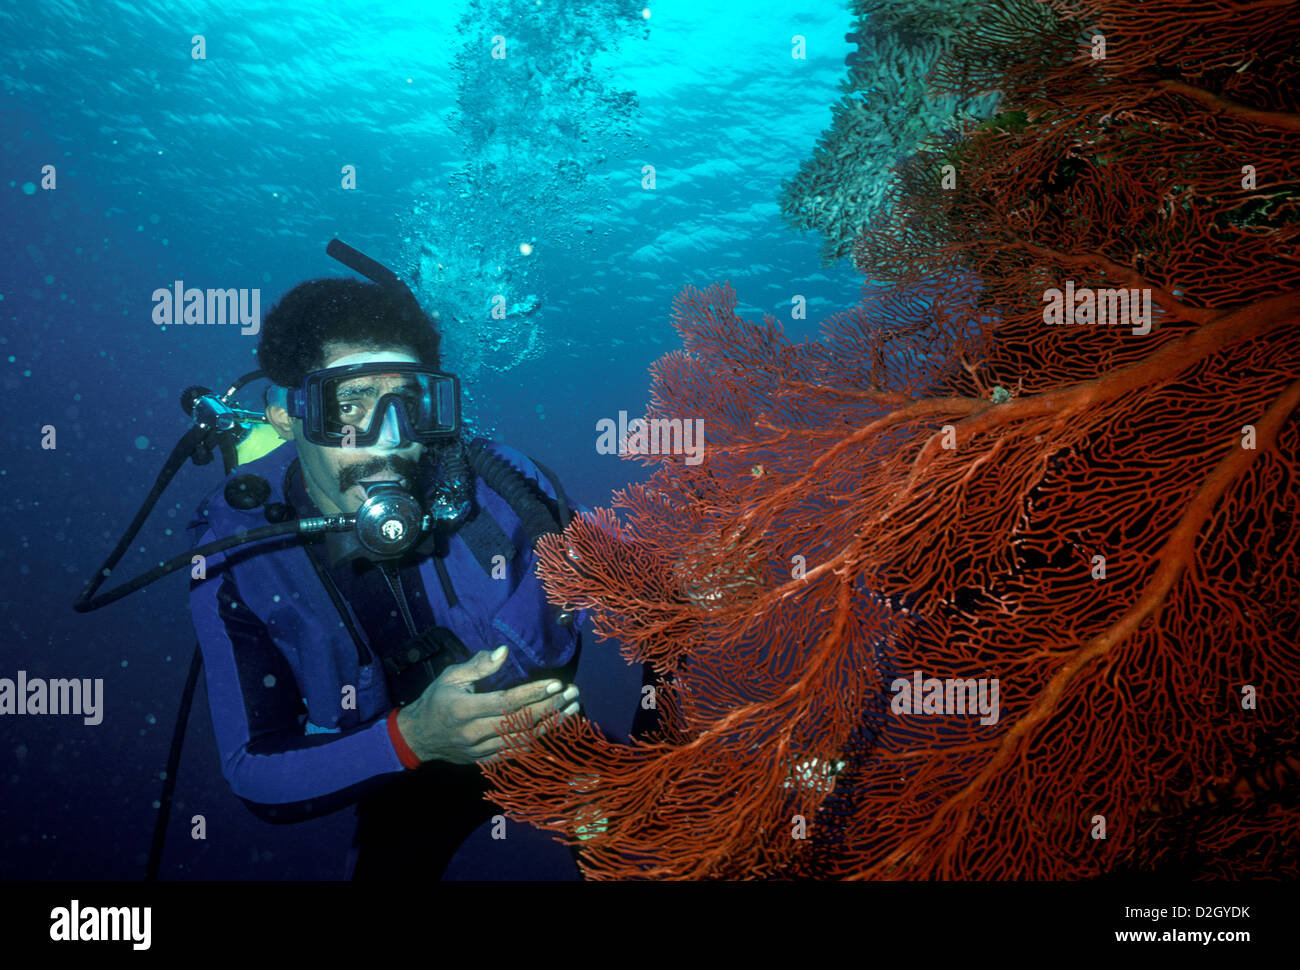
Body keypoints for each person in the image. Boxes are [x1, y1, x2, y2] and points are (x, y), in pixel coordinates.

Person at [186, 268, 590, 879]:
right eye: (349, 405)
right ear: (286, 414)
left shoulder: (505, 485)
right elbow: (253, 771)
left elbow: (625, 582)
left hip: (549, 741)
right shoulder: (236, 555)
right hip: (402, 779)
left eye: (410, 404)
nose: (393, 444)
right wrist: (414, 738)